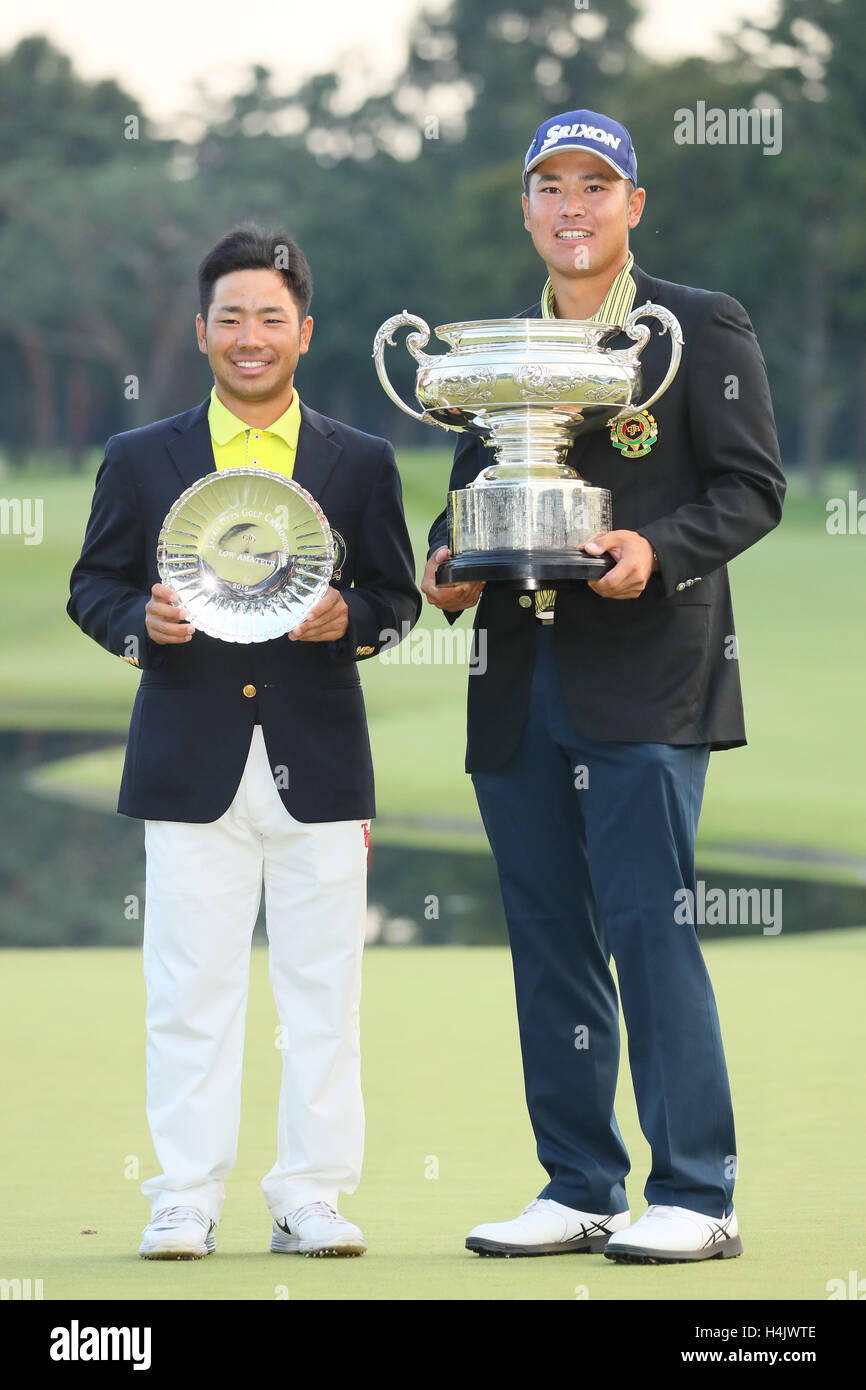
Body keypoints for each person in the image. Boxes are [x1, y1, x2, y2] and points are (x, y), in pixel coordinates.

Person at [422, 110, 785, 1263]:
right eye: (549, 188)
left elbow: (750, 488)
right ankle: (578, 1181)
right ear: (526, 209)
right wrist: (443, 554)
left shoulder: (698, 325)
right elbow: (471, 488)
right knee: (546, 936)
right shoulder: (489, 345)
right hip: (517, 680)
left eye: (595, 186)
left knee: (648, 927)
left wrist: (655, 550)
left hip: (646, 682)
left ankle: (695, 1192)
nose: (571, 207)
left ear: (632, 205)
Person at [69, 225, 420, 1260]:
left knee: (324, 993)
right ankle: (184, 1193)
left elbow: (396, 601)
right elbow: (94, 583)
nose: (251, 336)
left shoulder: (360, 461)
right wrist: (142, 625)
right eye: (232, 318)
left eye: (272, 317)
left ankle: (308, 1194)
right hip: (189, 762)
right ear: (201, 331)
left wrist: (345, 620)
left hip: (318, 768)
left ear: (304, 332)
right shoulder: (143, 458)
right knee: (189, 989)